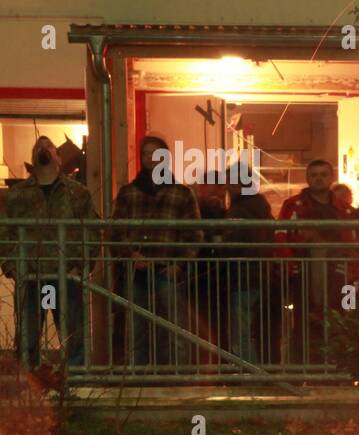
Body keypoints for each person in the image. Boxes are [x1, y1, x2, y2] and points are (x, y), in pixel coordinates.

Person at [2, 136, 97, 369]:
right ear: (33, 158)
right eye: (38, 147)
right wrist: (12, 265)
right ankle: (30, 386)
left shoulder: (78, 193)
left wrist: (81, 265)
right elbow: (5, 232)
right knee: (28, 337)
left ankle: (76, 384)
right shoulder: (17, 195)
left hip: (67, 275)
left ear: (59, 157)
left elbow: (92, 232)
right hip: (31, 277)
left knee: (74, 335)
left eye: (48, 146)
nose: (43, 149)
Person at [112, 135, 202, 367]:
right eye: (145, 153)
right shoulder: (128, 193)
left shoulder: (182, 193)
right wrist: (130, 255)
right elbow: (115, 231)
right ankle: (135, 382)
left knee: (176, 328)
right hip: (135, 271)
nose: (150, 158)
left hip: (168, 271)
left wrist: (178, 265)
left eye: (155, 153)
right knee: (136, 329)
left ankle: (178, 380)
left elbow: (194, 234)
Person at [276, 159, 345, 363]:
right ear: (307, 178)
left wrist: (352, 272)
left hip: (338, 279)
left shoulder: (343, 208)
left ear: (331, 178)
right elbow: (280, 237)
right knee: (302, 325)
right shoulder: (292, 206)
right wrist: (290, 266)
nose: (319, 179)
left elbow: (352, 241)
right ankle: (302, 371)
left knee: (339, 321)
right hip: (302, 276)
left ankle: (336, 370)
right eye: (314, 175)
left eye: (323, 174)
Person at [223, 162, 275, 363]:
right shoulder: (261, 207)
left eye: (231, 182)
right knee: (255, 331)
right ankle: (261, 373)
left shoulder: (239, 211)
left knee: (240, 335)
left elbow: (232, 244)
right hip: (260, 275)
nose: (227, 186)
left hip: (242, 278)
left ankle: (249, 377)